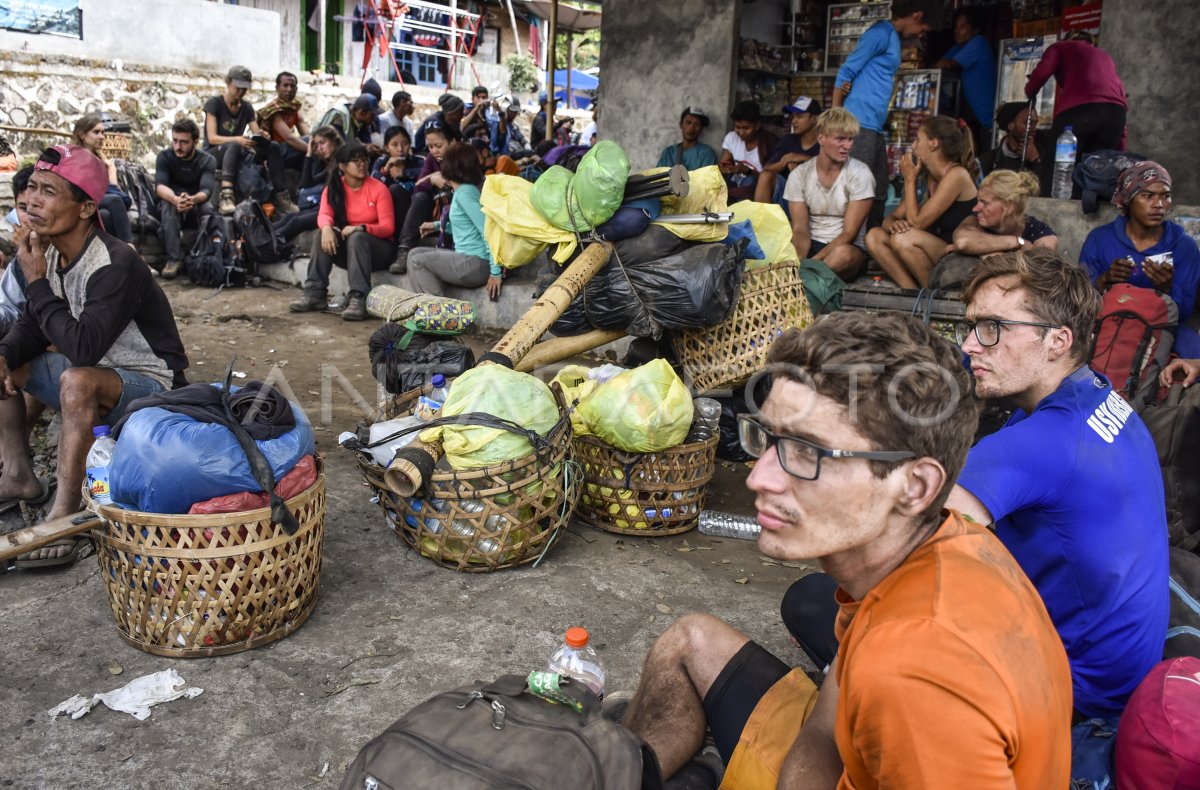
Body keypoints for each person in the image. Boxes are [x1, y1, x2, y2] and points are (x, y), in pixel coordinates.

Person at [622, 309, 1072, 789]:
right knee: (690, 638)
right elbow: (825, 726)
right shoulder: (946, 537)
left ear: (915, 486)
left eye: (808, 452)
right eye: (770, 440)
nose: (757, 478)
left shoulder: (917, 678)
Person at [947, 249, 1168, 746]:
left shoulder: (1037, 443)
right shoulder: (1101, 396)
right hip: (1124, 673)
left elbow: (907, 548)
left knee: (815, 605)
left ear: (1057, 341)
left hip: (1077, 695)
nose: (968, 345)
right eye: (970, 326)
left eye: (991, 327)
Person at [1, 145, 188, 565]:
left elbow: (83, 348)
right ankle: (17, 475)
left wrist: (35, 282)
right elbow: (33, 325)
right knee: (8, 358)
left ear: (86, 208)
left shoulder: (115, 261)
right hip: (94, 376)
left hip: (152, 388)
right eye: (31, 187)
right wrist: (5, 353)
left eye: (48, 191)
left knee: (78, 378)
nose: (32, 200)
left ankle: (65, 515)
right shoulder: (46, 251)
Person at [833, 0, 942, 226]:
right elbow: (846, 70)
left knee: (879, 188)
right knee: (859, 190)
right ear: (917, 15)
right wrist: (836, 118)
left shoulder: (891, 37)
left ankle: (867, 246)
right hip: (858, 123)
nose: (921, 34)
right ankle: (850, 248)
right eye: (923, 29)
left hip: (872, 125)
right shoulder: (880, 32)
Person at [1079, 161, 1200, 355]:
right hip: (1110, 319)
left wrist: (1167, 288)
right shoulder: (1100, 239)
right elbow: (1078, 302)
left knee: (1194, 352)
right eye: (1148, 195)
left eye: (1166, 196)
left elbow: (1183, 314)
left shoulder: (1184, 246)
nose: (1159, 205)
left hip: (1161, 326)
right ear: (1128, 199)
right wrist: (1103, 280)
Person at [865, 116, 978, 289]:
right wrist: (894, 225)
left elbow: (917, 222)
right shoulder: (927, 177)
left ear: (934, 143)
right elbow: (892, 217)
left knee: (903, 239)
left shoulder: (957, 175)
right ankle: (911, 292)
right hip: (931, 250)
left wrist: (909, 179)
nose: (914, 145)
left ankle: (930, 297)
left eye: (918, 139)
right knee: (874, 236)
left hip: (956, 255)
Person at [289, 143, 394, 321]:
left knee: (357, 237)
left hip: (379, 251)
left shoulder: (378, 189)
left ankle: (359, 299)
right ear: (342, 166)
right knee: (322, 234)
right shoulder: (334, 189)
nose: (362, 164)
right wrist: (327, 228)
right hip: (351, 253)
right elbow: (324, 214)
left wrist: (362, 227)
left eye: (364, 160)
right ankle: (315, 293)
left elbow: (388, 228)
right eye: (355, 161)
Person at [1025, 31, 1128, 189]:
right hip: (1115, 115)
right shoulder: (1105, 56)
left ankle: (1047, 208)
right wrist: (1121, 148)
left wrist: (1030, 90)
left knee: (1056, 167)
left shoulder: (1060, 47)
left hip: (1079, 110)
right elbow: (1120, 95)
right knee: (1096, 172)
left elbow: (1042, 72)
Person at [782, 107, 874, 279]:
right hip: (811, 245)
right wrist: (799, 260)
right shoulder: (800, 175)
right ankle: (805, 278)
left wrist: (812, 264)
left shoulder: (861, 174)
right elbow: (800, 230)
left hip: (847, 249)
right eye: (840, 139)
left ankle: (806, 279)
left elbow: (849, 234)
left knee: (843, 254)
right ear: (821, 138)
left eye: (850, 139)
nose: (847, 146)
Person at [407, 142, 502, 301]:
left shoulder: (465, 193)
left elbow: (488, 229)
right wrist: (436, 226)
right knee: (414, 253)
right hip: (469, 259)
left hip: (476, 263)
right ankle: (436, 309)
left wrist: (495, 272)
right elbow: (466, 226)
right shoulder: (464, 190)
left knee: (417, 261)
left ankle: (440, 315)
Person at [154, 119, 217, 280]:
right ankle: (174, 259)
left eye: (184, 142)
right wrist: (176, 199)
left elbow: (206, 190)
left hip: (195, 203)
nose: (178, 146)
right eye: (175, 141)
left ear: (195, 142)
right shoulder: (165, 156)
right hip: (173, 202)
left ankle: (207, 256)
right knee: (167, 206)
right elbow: (160, 186)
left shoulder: (207, 160)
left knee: (208, 209)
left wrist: (192, 200)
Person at [950, 169, 1058, 256]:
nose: (975, 209)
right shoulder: (976, 220)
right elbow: (962, 241)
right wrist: (1016, 242)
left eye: (985, 203)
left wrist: (982, 249)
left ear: (1009, 207)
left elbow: (1038, 271)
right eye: (978, 201)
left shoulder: (1041, 233)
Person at [391, 123, 452, 275]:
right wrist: (432, 179)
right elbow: (419, 185)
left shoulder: (462, 156)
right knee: (419, 197)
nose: (434, 151)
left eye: (438, 145)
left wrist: (445, 180)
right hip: (434, 210)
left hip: (455, 210)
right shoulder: (432, 159)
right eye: (430, 147)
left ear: (452, 142)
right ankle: (404, 248)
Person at [203, 65, 263, 215]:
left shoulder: (247, 107)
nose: (241, 92)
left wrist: (261, 136)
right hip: (213, 152)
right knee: (235, 145)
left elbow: (255, 131)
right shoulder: (214, 104)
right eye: (238, 88)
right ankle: (227, 194)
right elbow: (212, 138)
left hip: (234, 150)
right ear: (229, 83)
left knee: (270, 147)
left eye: (244, 89)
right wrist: (237, 139)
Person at [273, 125, 344, 244]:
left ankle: (270, 244)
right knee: (291, 217)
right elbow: (306, 183)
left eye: (323, 143)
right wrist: (309, 153)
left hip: (338, 210)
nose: (320, 148)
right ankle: (261, 234)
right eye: (317, 145)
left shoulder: (341, 160)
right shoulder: (327, 162)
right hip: (326, 206)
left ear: (334, 142)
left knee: (296, 222)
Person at [935, 9, 996, 144]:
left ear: (975, 30)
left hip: (990, 120)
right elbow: (941, 64)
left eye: (963, 26)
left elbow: (950, 64)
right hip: (976, 119)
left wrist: (947, 63)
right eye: (956, 26)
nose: (957, 30)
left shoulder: (979, 42)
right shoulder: (960, 46)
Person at [70, 115, 133, 244]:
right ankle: (130, 247)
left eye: (103, 132)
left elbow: (112, 188)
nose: (102, 136)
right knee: (115, 200)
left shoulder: (100, 159)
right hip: (80, 201)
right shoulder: (73, 157)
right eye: (96, 132)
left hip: (97, 202)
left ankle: (115, 256)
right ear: (82, 135)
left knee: (106, 216)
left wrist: (111, 171)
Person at [255, 71, 308, 214]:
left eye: (292, 86)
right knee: (309, 147)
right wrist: (313, 150)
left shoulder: (294, 107)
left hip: (287, 152)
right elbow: (289, 138)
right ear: (277, 88)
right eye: (285, 85)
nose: (289, 89)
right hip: (273, 155)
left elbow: (305, 132)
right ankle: (283, 198)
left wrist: (315, 145)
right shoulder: (274, 110)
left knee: (311, 142)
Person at [753, 96, 820, 205]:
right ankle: (760, 219)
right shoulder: (788, 140)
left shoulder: (825, 141)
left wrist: (800, 158)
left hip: (815, 197)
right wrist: (785, 162)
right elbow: (767, 168)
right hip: (787, 195)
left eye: (799, 116)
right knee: (765, 176)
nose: (794, 121)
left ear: (814, 119)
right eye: (792, 117)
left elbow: (832, 168)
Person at [978, 102, 1048, 193]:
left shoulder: (1043, 155)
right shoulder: (988, 160)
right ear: (1011, 125)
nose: (1033, 128)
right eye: (1028, 123)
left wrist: (1036, 161)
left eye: (1035, 123)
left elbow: (1046, 190)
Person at [718, 101, 778, 201]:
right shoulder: (731, 137)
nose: (741, 132)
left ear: (757, 125)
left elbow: (769, 178)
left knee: (749, 180)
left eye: (746, 128)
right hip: (735, 185)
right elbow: (723, 164)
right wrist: (727, 167)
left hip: (759, 190)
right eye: (737, 127)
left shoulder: (770, 142)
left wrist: (748, 171)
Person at [371, 125, 420, 248]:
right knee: (392, 190)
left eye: (405, 144)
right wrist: (385, 171)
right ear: (387, 148)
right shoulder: (380, 163)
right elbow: (372, 187)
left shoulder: (418, 161)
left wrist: (405, 173)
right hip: (388, 216)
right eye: (395, 145)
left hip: (414, 212)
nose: (400, 149)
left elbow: (427, 176)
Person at [657, 106, 718, 171]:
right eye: (688, 122)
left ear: (701, 129)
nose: (691, 128)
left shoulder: (707, 153)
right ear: (681, 124)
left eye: (697, 124)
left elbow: (707, 179)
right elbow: (658, 177)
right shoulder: (669, 152)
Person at [348, 93, 386, 157]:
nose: (374, 118)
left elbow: (367, 142)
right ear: (362, 112)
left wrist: (370, 147)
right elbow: (342, 144)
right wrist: (364, 146)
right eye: (372, 115)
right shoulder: (342, 117)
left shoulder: (363, 123)